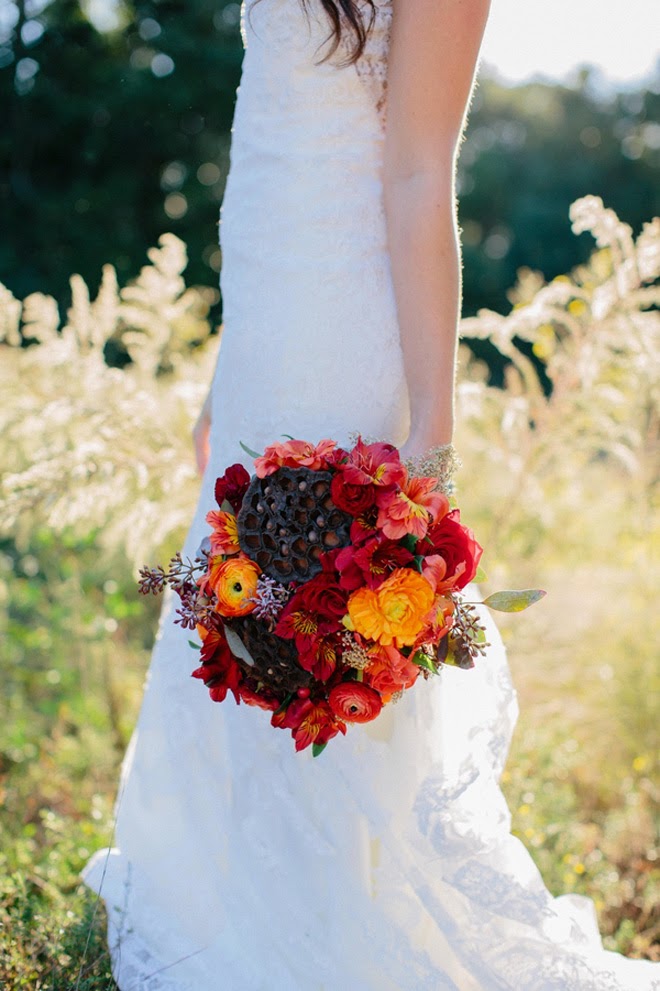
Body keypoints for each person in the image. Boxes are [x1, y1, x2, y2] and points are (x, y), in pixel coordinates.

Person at [83, 1, 659, 988]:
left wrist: (434, 421)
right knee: (242, 612)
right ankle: (239, 897)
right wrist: (226, 368)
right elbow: (269, 164)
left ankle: (339, 914)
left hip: (345, 332)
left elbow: (419, 173)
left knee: (327, 619)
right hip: (268, 330)